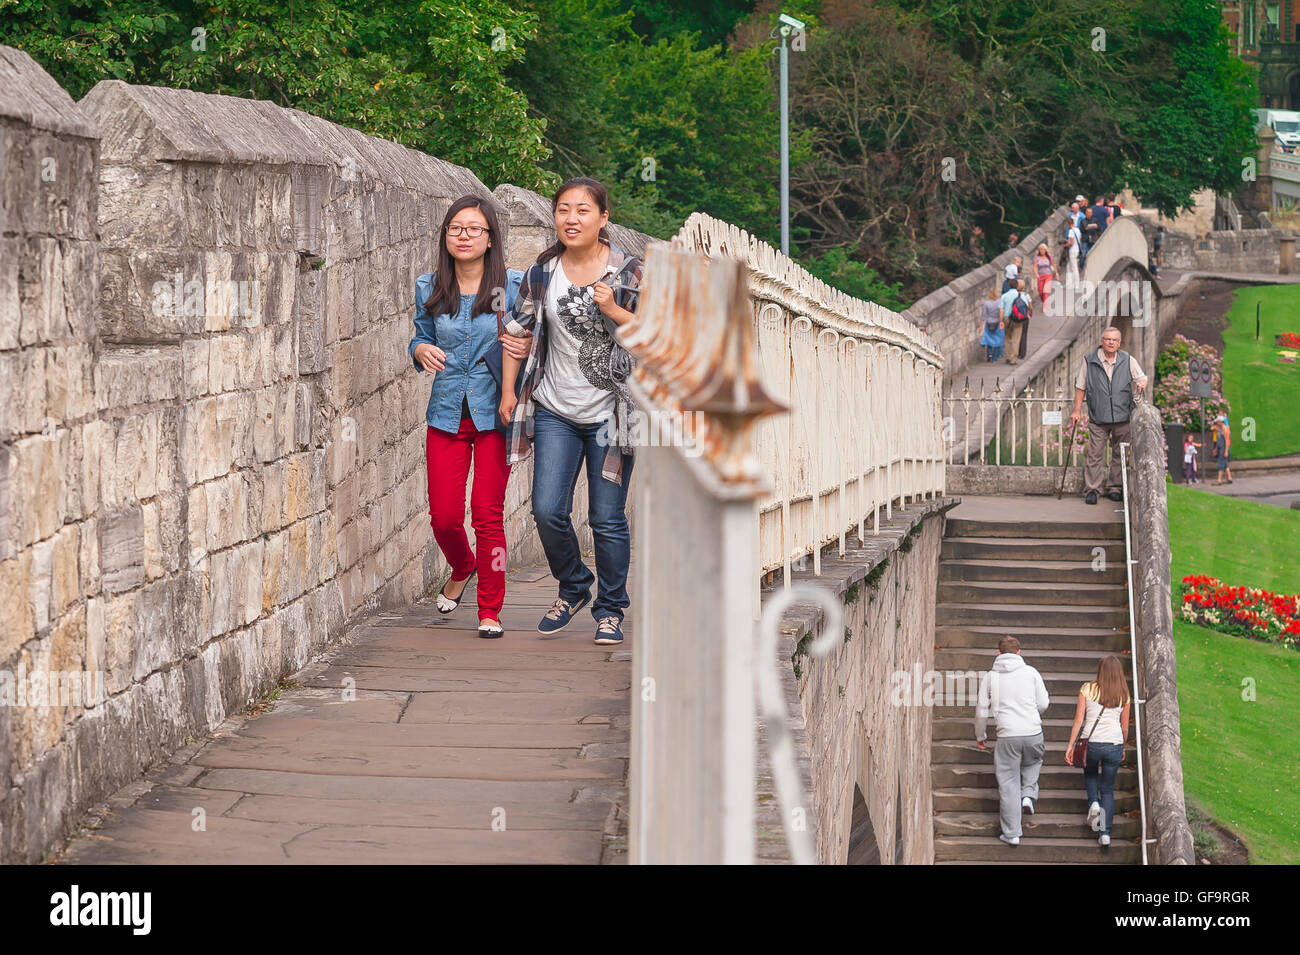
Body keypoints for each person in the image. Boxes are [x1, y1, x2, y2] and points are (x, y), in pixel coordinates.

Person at [500, 177, 643, 646]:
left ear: (604, 218)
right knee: (546, 510)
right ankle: (574, 584)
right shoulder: (542, 272)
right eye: (563, 210)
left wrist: (616, 312)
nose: (571, 219)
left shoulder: (627, 270)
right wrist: (507, 392)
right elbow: (516, 332)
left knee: (606, 518)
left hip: (611, 413)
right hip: (555, 410)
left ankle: (611, 609)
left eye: (583, 210)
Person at [409, 197, 524, 640]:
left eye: (474, 229)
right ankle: (463, 565)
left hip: (497, 412)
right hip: (446, 413)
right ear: (445, 236)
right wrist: (419, 350)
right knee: (444, 518)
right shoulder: (430, 286)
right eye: (456, 228)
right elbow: (420, 335)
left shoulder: (512, 287)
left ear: (490, 238)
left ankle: (490, 609)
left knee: (487, 515)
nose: (464, 236)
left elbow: (534, 334)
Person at [975, 636, 1050, 846]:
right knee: (1033, 762)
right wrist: (1031, 714)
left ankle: (1012, 834)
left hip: (1007, 734)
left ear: (998, 654)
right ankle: (1028, 795)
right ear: (1019, 652)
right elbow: (1043, 703)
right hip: (1033, 731)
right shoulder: (1031, 672)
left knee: (1008, 783)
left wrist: (981, 736)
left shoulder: (990, 677)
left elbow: (981, 710)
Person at [1070, 326, 1149, 505]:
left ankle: (1115, 487)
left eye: (1114, 340)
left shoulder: (1128, 359)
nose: (1111, 342)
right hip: (1099, 416)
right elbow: (1081, 386)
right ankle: (1092, 489)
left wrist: (1142, 383)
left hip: (1122, 416)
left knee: (1120, 453)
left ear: (1119, 343)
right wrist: (1076, 411)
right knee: (1095, 454)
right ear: (1101, 341)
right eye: (1107, 339)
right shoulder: (1089, 360)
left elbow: (1141, 377)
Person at [1064, 655, 1131, 848]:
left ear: (1100, 670)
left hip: (1091, 743)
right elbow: (1125, 727)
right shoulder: (1124, 693)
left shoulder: (1087, 689)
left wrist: (1070, 745)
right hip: (1114, 744)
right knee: (1108, 790)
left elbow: (1078, 720)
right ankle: (1105, 834)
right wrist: (1123, 746)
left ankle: (1093, 802)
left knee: (1091, 773)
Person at [979, 287, 1005, 362]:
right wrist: (1001, 321)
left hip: (989, 323)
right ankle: (995, 358)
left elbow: (983, 315)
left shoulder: (986, 303)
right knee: (997, 340)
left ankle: (989, 354)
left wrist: (981, 326)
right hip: (997, 322)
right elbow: (1001, 312)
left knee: (989, 339)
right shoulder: (999, 302)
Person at [1213, 417, 1233, 484]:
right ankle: (1229, 478)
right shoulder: (1219, 429)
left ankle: (1219, 480)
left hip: (1223, 448)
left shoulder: (1224, 429)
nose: (1216, 423)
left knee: (1221, 462)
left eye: (1217, 422)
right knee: (1224, 463)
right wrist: (1216, 449)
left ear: (1220, 422)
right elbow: (1218, 440)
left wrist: (1226, 451)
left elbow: (1227, 441)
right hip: (1220, 447)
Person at [1064, 217, 1082, 287]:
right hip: (1077, 249)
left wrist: (1065, 245)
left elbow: (1071, 243)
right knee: (1068, 266)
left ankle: (1076, 284)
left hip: (1073, 250)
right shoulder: (1078, 230)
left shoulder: (1071, 231)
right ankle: (1069, 282)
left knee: (1074, 267)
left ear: (1068, 224)